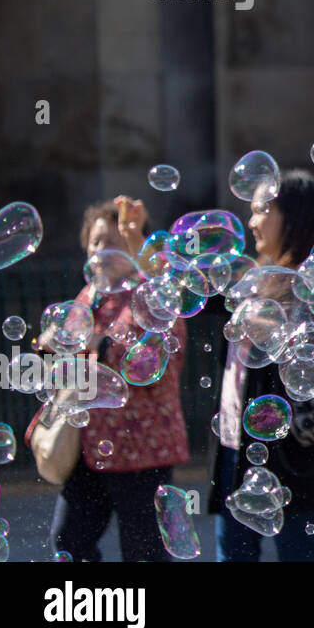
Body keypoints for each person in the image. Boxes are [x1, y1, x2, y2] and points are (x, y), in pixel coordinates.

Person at [209, 169, 314, 562]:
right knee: (232, 555)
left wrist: (269, 327)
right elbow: (190, 296)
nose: (252, 221)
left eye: (262, 210)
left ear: (295, 215)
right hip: (235, 447)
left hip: (290, 453)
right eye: (250, 212)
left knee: (297, 555)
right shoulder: (251, 282)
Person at [42, 197, 190, 562]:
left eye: (112, 241)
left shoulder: (150, 294)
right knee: (69, 541)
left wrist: (99, 344)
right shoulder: (88, 298)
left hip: (141, 451)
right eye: (95, 241)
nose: (102, 250)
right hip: (89, 446)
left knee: (144, 551)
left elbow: (153, 361)